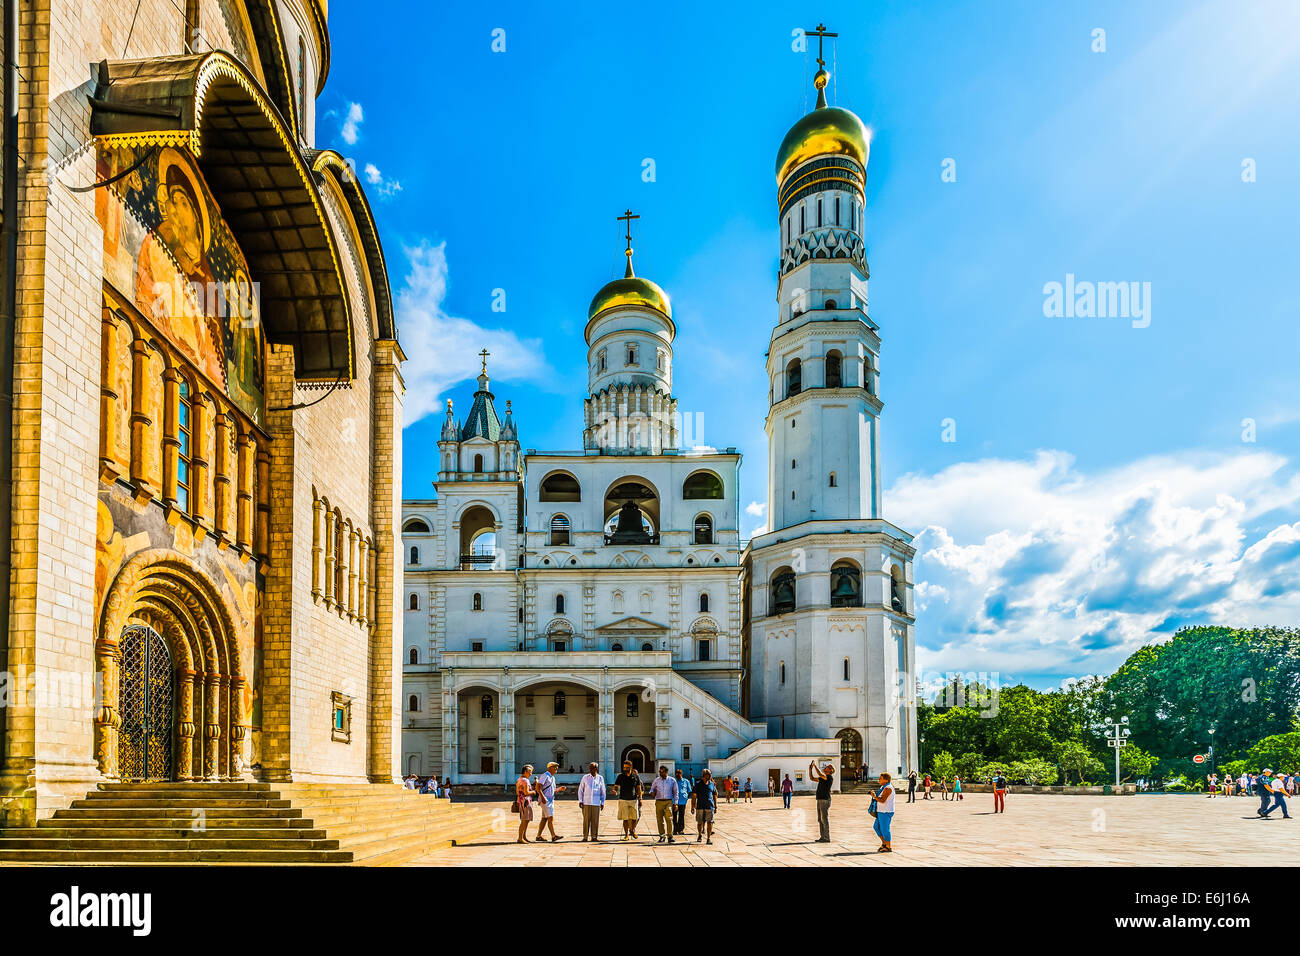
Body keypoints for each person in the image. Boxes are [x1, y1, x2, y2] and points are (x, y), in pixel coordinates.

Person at [534, 761, 566, 842]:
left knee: (544, 819)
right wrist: (543, 797)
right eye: (554, 767)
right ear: (549, 767)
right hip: (546, 800)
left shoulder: (552, 777)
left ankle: (538, 836)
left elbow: (552, 790)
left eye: (557, 767)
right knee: (550, 818)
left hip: (550, 800)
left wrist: (559, 789)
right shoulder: (545, 775)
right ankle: (553, 836)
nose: (556, 768)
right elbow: (538, 787)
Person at [612, 760, 643, 841]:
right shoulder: (620, 776)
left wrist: (640, 799)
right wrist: (614, 790)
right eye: (624, 767)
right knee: (625, 818)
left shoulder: (635, 776)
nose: (625, 769)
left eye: (627, 768)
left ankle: (632, 830)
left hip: (633, 799)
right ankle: (626, 835)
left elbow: (639, 788)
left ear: (631, 767)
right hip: (623, 799)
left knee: (635, 818)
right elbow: (616, 786)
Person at [577, 761, 606, 842]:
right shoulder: (585, 777)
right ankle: (585, 837)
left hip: (596, 803)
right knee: (586, 820)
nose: (590, 769)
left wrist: (602, 802)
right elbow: (580, 790)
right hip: (586, 802)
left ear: (596, 768)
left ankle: (594, 837)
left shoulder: (600, 778)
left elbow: (603, 791)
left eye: (592, 768)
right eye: (590, 768)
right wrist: (580, 800)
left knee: (595, 820)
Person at [649, 765, 678, 843]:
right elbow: (652, 789)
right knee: (660, 819)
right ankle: (662, 836)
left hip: (668, 801)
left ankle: (670, 836)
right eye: (660, 771)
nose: (660, 773)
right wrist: (652, 792)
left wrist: (676, 803)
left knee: (669, 818)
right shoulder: (656, 780)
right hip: (659, 801)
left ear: (666, 772)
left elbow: (675, 792)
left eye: (662, 771)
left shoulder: (672, 780)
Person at [690, 768, 718, 844]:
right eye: (708, 774)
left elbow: (714, 795)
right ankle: (699, 835)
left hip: (710, 806)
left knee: (710, 822)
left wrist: (715, 806)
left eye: (710, 774)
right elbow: (694, 796)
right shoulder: (698, 784)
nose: (710, 776)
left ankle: (708, 838)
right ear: (704, 775)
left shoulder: (712, 784)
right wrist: (692, 807)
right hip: (700, 806)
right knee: (700, 822)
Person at [809, 759, 835, 843]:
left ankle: (827, 837)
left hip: (825, 800)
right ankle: (822, 837)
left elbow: (820, 774)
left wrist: (815, 766)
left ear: (830, 770)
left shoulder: (829, 777)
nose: (825, 768)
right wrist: (810, 769)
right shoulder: (822, 778)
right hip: (819, 799)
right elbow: (812, 778)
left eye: (827, 767)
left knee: (824, 818)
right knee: (820, 819)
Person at [872, 772, 895, 853]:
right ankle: (884, 843)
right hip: (881, 811)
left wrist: (874, 796)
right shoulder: (883, 787)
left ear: (886, 779)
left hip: (886, 811)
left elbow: (882, 800)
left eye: (881, 778)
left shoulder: (888, 788)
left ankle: (888, 846)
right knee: (876, 827)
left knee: (885, 829)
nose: (879, 779)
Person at [515, 764, 535, 843]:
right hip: (525, 802)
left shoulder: (519, 779)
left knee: (525, 820)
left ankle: (523, 837)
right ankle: (520, 838)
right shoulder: (525, 780)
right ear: (525, 771)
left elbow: (517, 792)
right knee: (524, 820)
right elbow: (526, 792)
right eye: (530, 772)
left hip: (521, 801)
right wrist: (533, 792)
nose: (531, 773)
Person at [673, 769, 691, 835]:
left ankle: (680, 829)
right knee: (674, 816)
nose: (678, 774)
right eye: (677, 773)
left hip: (683, 802)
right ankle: (675, 829)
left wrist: (686, 797)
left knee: (681, 816)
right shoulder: (673, 781)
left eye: (679, 773)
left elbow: (689, 791)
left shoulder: (686, 781)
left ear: (682, 774)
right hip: (674, 802)